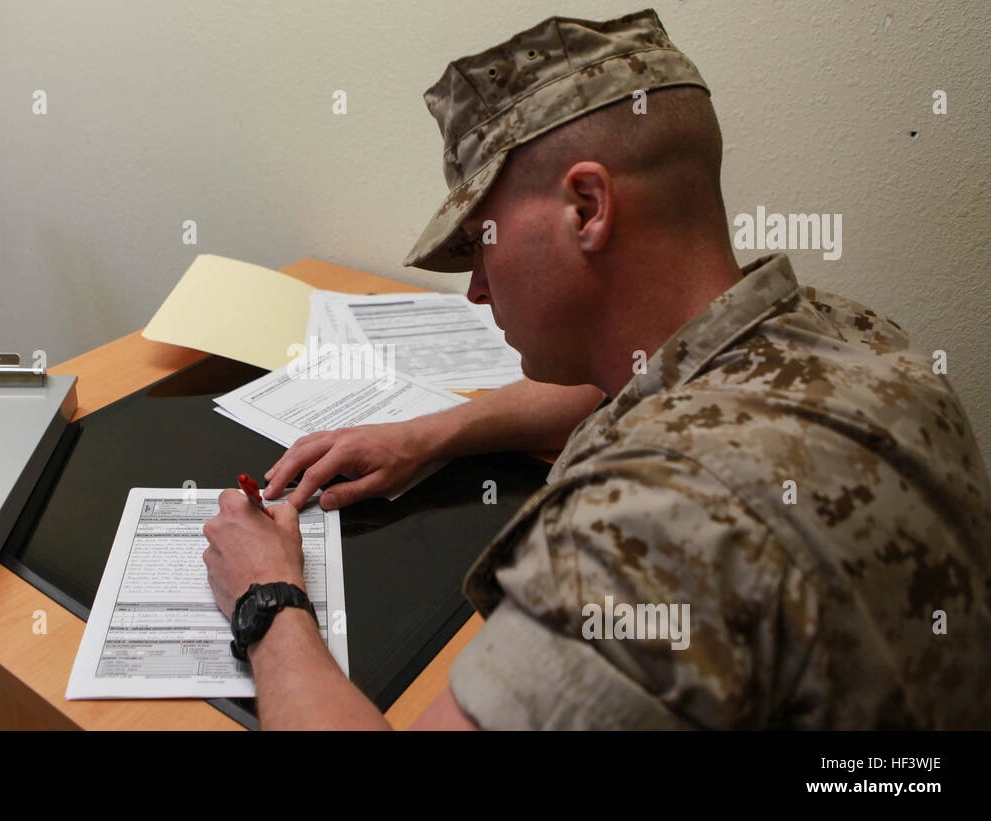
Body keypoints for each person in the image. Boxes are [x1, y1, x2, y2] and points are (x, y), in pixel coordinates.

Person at [201, 9, 991, 729]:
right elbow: (622, 384)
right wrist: (423, 436)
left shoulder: (653, 531)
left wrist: (268, 598)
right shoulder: (848, 335)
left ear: (586, 207)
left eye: (483, 241)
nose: (476, 287)